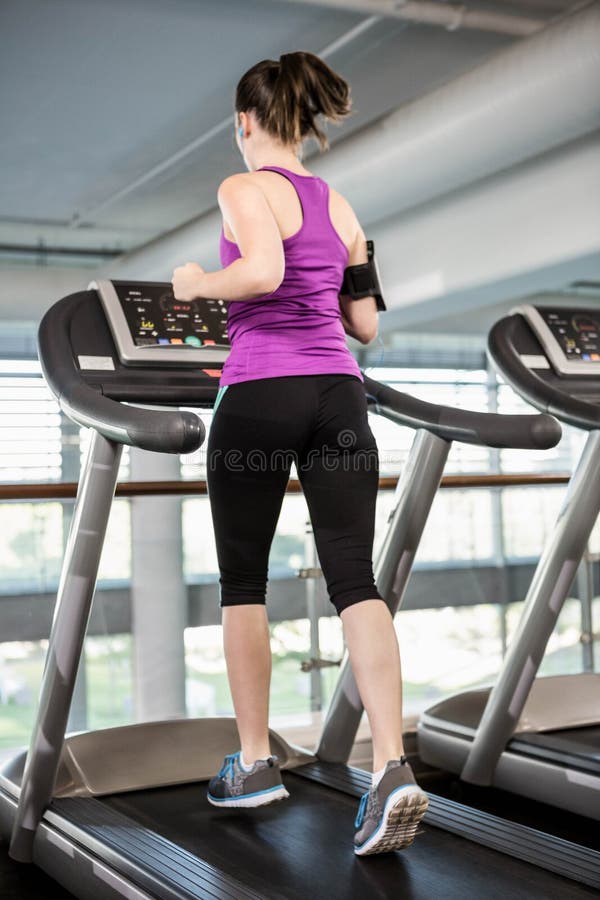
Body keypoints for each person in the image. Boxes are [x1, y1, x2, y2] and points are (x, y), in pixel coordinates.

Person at [172, 50, 428, 856]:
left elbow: (262, 270)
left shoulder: (241, 186)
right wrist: (352, 256)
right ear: (304, 120)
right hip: (339, 399)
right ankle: (391, 764)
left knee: (243, 580)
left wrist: (192, 284)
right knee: (357, 576)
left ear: (245, 121)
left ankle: (254, 763)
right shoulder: (341, 204)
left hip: (261, 394)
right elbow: (366, 327)